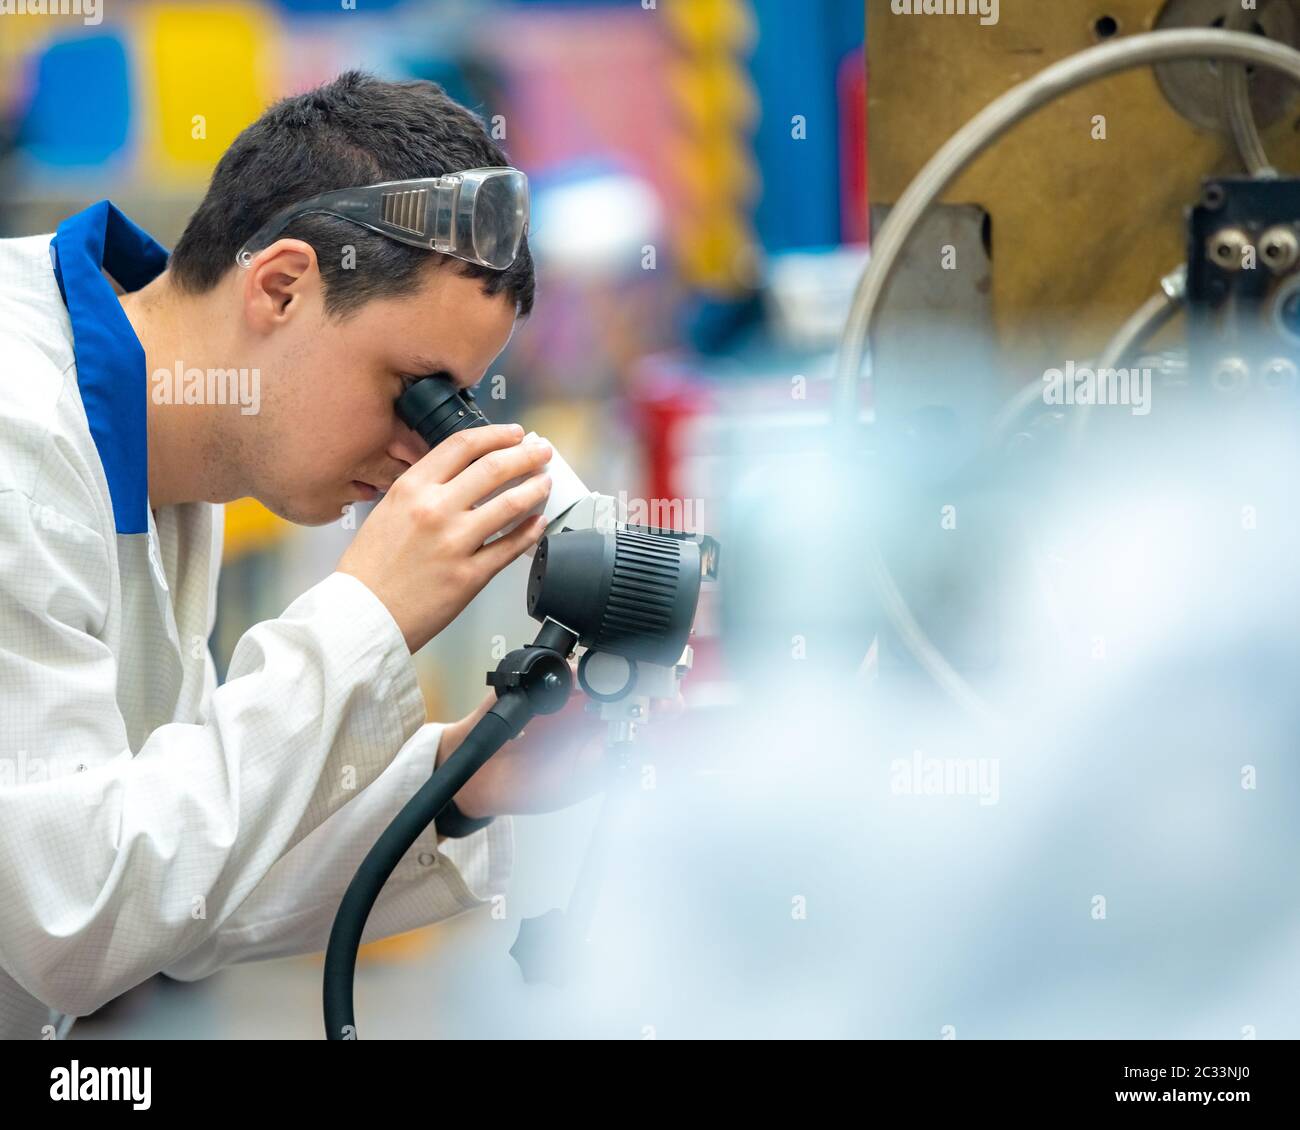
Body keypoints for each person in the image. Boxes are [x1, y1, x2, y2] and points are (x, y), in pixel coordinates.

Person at [0, 71, 611, 1039]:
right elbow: (68, 921)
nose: (427, 447)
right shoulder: (16, 433)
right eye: (416, 387)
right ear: (281, 285)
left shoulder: (157, 457)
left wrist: (459, 782)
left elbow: (176, 888)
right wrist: (367, 608)